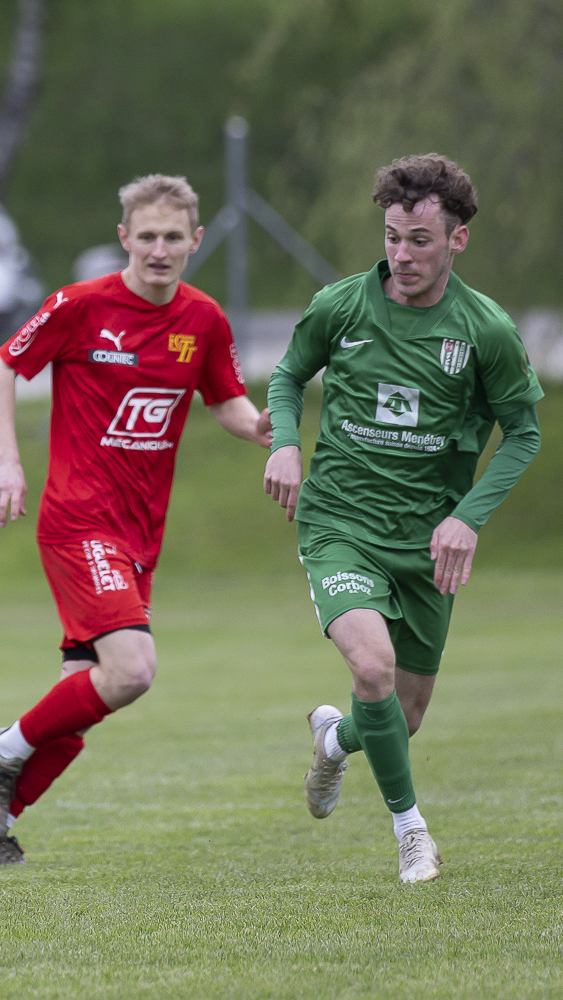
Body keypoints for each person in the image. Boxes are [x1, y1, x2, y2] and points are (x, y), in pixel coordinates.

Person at [0, 174, 272, 864]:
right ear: (125, 238)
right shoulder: (79, 306)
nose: (159, 250)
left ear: (194, 241)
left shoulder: (204, 320)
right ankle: (1, 750)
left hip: (139, 535)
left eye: (172, 238)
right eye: (147, 237)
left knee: (85, 693)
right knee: (132, 670)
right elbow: (1, 369)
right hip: (77, 520)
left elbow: (227, 402)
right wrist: (6, 460)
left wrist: (264, 430)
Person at [264, 155, 542, 884]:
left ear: (457, 240)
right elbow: (289, 375)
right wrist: (287, 444)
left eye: (421, 239)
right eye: (392, 236)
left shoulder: (485, 331)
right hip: (341, 525)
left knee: (402, 716)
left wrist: (469, 517)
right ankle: (411, 831)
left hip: (429, 544)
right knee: (372, 666)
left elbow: (526, 434)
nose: (402, 254)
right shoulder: (342, 306)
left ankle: (335, 739)